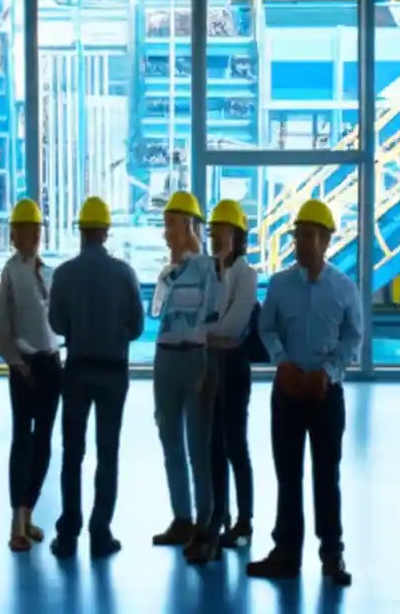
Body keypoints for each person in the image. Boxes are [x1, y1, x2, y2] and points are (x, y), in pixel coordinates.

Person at [246, 199, 361, 587]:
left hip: (326, 397)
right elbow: (267, 329)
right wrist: (283, 363)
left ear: (326, 241)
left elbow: (353, 337)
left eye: (309, 237)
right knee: (288, 474)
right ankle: (286, 552)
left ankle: (332, 554)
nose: (302, 244)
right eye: (298, 237)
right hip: (288, 393)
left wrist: (328, 373)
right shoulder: (279, 285)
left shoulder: (344, 289)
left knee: (326, 475)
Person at [48, 196, 144, 560]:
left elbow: (56, 324)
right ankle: (100, 533)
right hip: (112, 372)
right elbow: (136, 326)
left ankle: (69, 533)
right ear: (105, 232)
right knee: (108, 453)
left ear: (81, 233)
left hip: (76, 371)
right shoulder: (124, 274)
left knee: (72, 454)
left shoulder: (64, 274)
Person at [149, 191, 219, 564]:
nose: (167, 233)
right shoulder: (168, 272)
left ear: (191, 224)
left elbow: (209, 319)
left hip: (194, 358)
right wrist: (173, 268)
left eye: (172, 224)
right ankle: (182, 516)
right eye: (166, 225)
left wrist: (207, 367)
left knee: (198, 445)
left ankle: (206, 520)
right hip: (166, 358)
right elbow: (157, 311)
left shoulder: (208, 269)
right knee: (169, 438)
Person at [0, 198, 61, 552]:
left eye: (31, 230)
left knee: (44, 440)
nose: (26, 236)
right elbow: (3, 332)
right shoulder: (10, 273)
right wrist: (20, 365)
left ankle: (28, 511)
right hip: (25, 365)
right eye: (20, 231)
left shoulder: (49, 273)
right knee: (22, 438)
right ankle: (16, 520)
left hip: (51, 363)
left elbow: (57, 325)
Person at [204, 199, 258, 550]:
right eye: (215, 232)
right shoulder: (206, 272)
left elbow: (235, 326)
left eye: (225, 231)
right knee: (212, 445)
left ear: (239, 237)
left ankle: (244, 520)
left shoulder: (247, 275)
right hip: (209, 365)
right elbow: (196, 319)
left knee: (235, 443)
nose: (219, 238)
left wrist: (206, 332)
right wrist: (210, 332)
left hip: (234, 367)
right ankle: (217, 513)